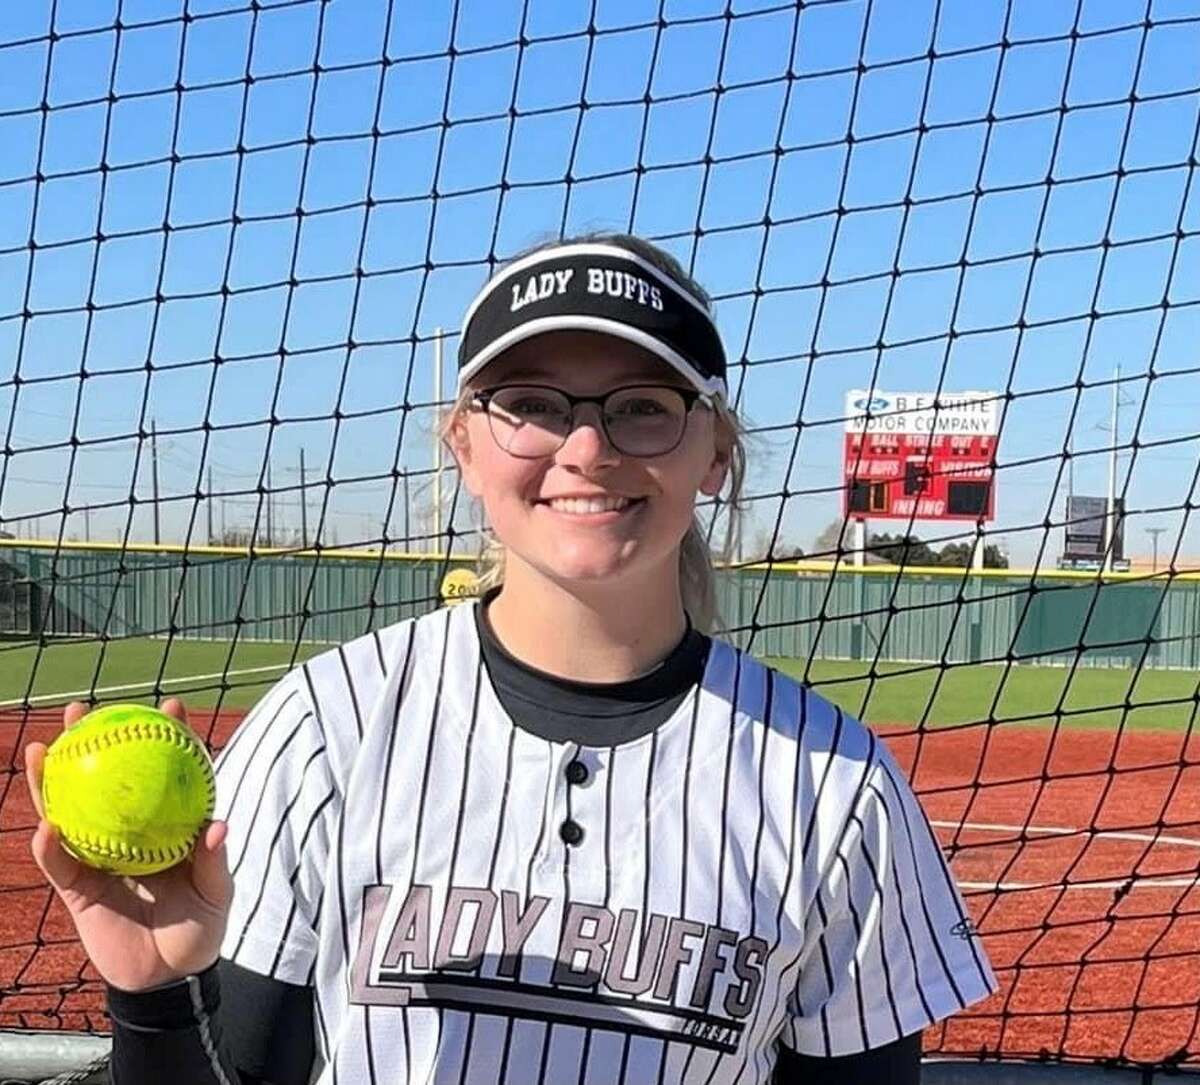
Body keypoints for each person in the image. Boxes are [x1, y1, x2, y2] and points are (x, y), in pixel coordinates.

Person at [24, 233, 996, 1084]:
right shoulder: (329, 723)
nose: (585, 447)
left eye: (644, 405)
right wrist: (154, 990)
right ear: (464, 444)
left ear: (715, 451)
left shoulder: (835, 783)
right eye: (529, 403)